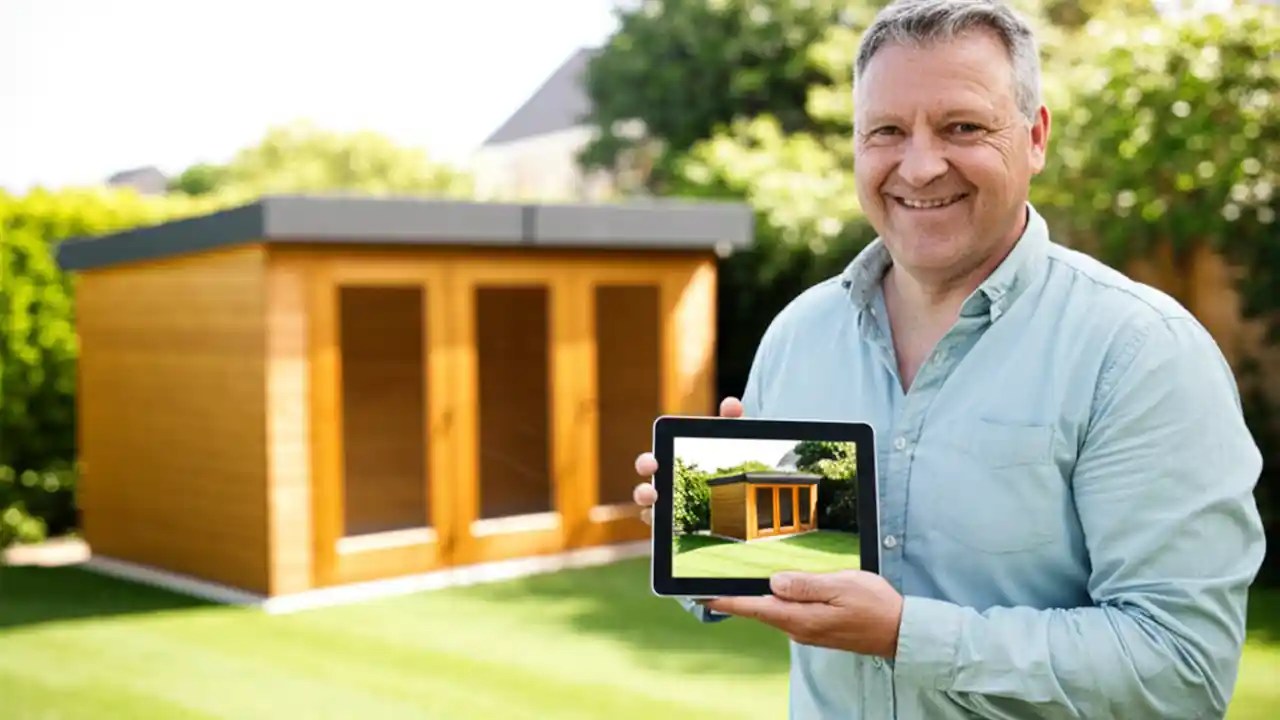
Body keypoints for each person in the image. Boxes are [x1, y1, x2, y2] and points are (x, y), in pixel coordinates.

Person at [631, 0, 1267, 717]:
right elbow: (784, 559)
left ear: (1035, 137)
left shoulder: (1140, 352)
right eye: (887, 131)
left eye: (962, 127)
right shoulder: (800, 334)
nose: (921, 164)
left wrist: (906, 634)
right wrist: (703, 535)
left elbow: (1181, 670)